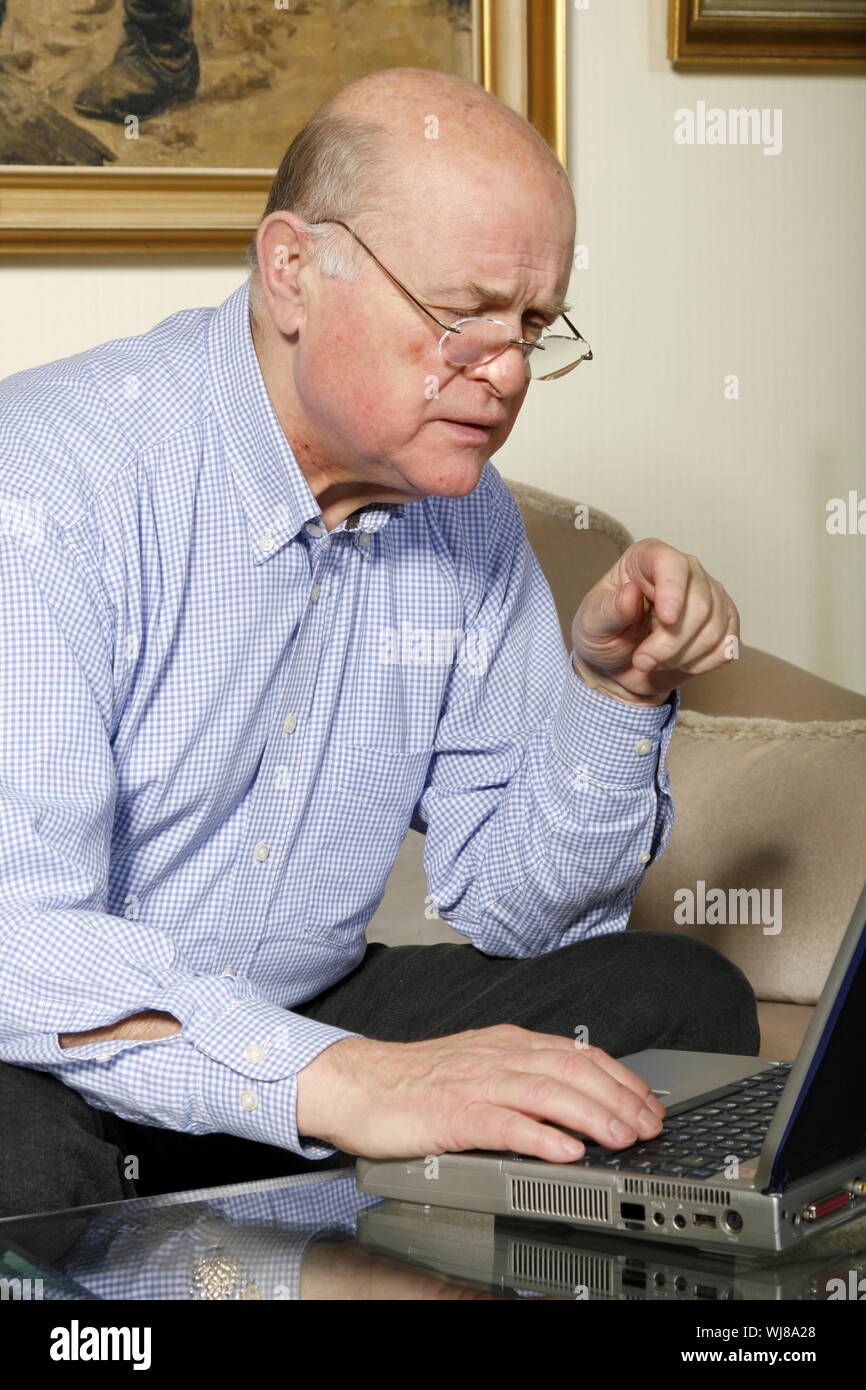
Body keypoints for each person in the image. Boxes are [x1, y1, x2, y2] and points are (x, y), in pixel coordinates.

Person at [0, 67, 758, 1220]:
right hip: (60, 1040)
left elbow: (517, 910)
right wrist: (340, 1078)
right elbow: (20, 940)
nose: (503, 374)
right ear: (293, 269)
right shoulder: (53, 481)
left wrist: (610, 691)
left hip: (297, 1009)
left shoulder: (467, 513)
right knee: (25, 1157)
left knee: (671, 997)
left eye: (532, 326)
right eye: (460, 315)